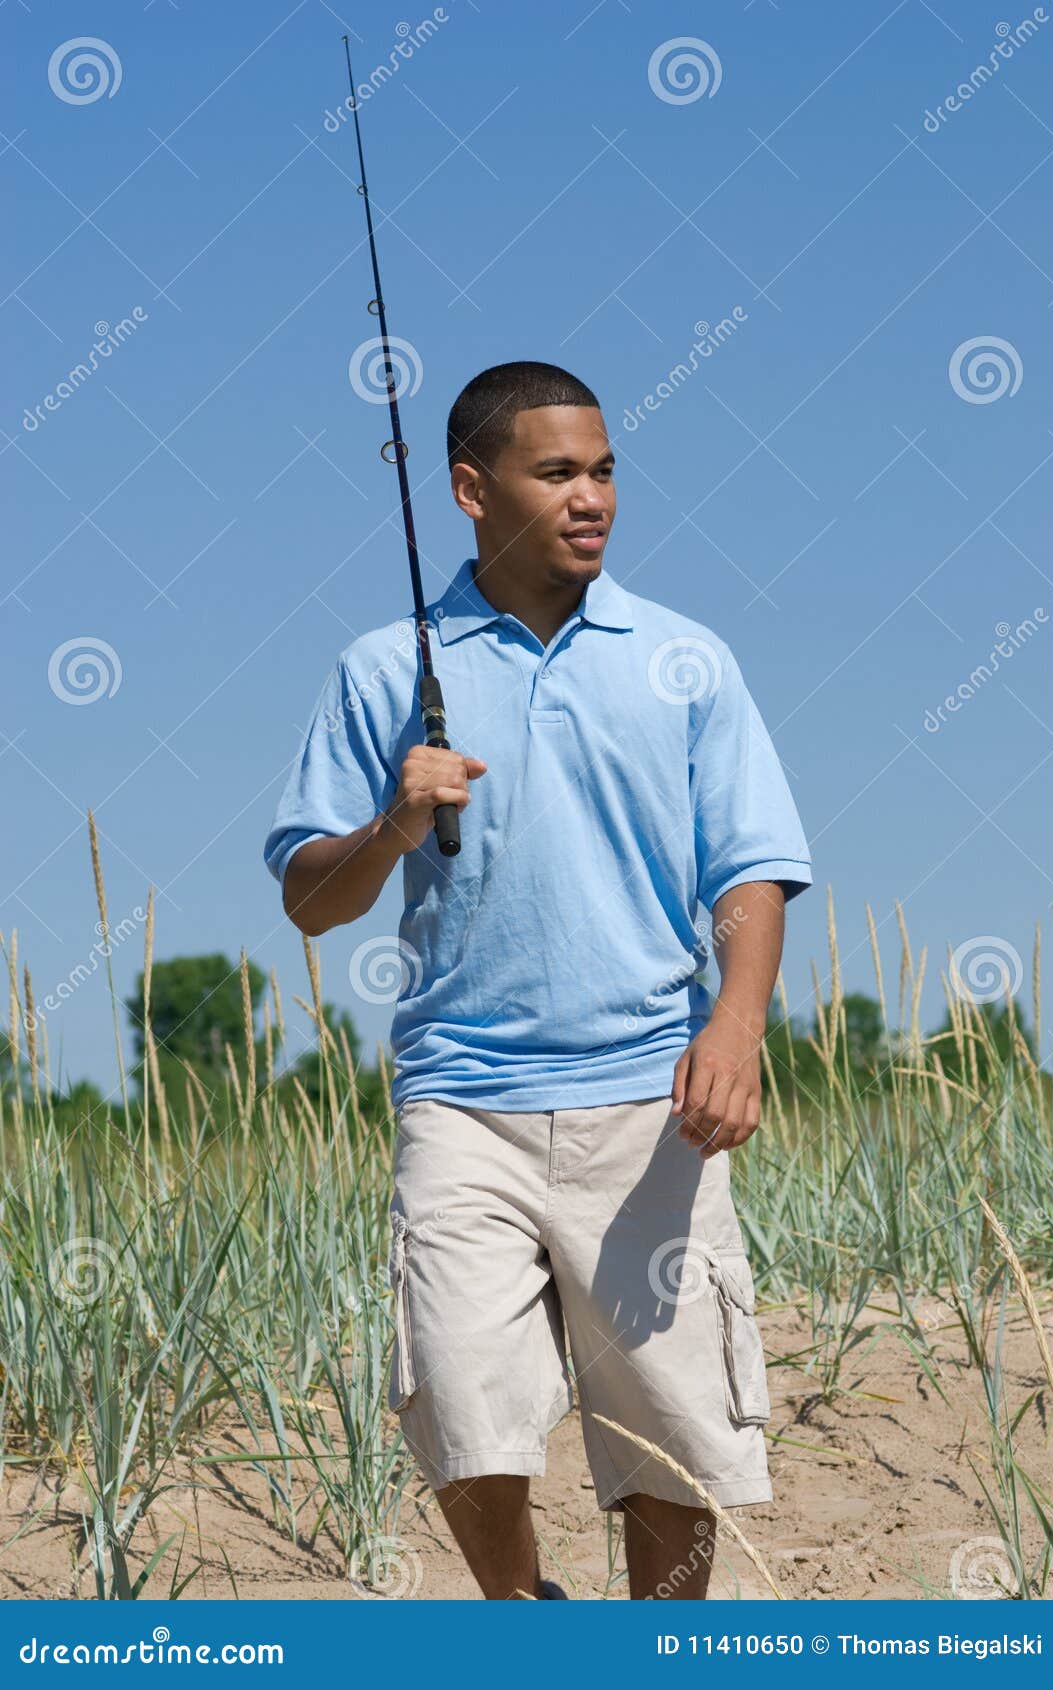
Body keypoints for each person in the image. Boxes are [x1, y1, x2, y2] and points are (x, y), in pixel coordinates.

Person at [264, 361, 813, 1600]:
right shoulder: (378, 670)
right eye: (557, 471)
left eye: (605, 469)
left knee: (672, 1433)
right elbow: (308, 895)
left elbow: (754, 871)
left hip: (651, 1096)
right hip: (462, 1102)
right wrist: (393, 825)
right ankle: (522, 1627)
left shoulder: (686, 659)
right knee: (460, 1400)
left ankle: (649, 1656)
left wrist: (735, 1027)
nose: (593, 497)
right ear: (469, 487)